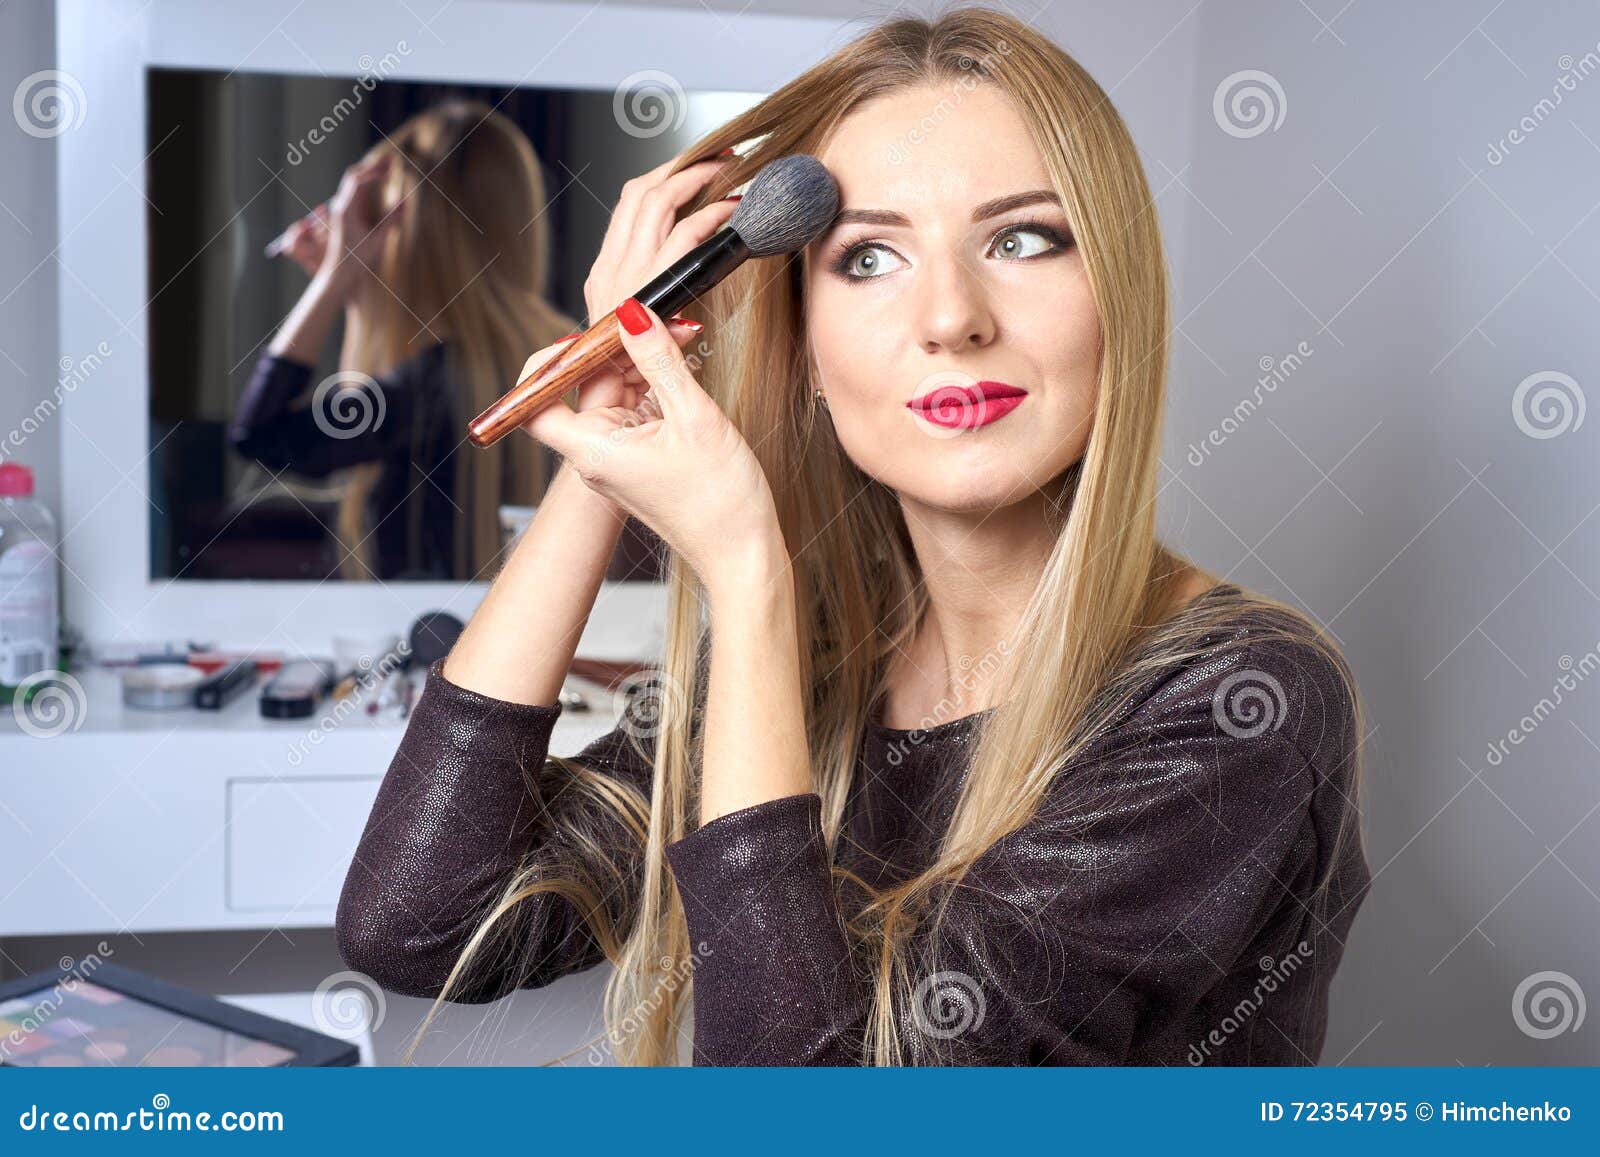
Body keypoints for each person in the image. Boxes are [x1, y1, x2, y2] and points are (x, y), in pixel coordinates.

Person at [336, 9, 1371, 1065]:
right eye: (869, 256)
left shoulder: (1236, 703)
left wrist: (746, 574)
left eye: (1022, 239)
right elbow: (424, 924)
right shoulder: (820, 670)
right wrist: (602, 437)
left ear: (1118, 295)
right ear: (808, 348)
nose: (951, 317)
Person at [229, 98, 573, 580]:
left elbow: (259, 436)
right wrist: (353, 295)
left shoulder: (427, 388)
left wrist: (333, 281)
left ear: (405, 237)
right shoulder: (564, 356)